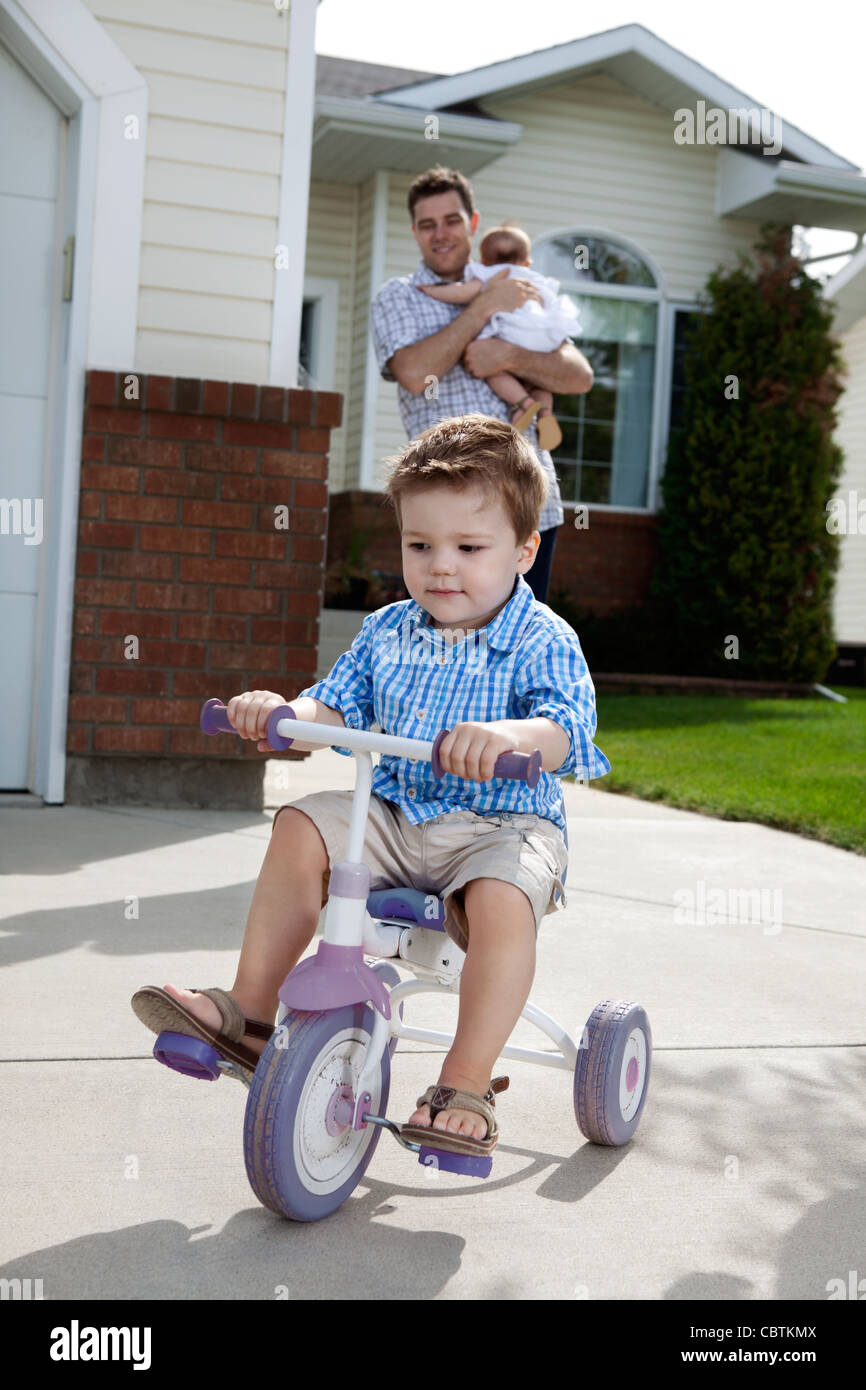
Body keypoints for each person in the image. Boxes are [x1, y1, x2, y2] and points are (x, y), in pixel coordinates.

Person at [131, 415, 611, 1162]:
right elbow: (334, 706)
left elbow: (564, 731)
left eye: (468, 548)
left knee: (504, 898)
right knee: (300, 822)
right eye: (420, 546)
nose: (441, 567)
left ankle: (465, 1084)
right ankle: (251, 1014)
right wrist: (285, 713)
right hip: (391, 816)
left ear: (525, 550)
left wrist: (509, 737)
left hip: (500, 826)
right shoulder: (388, 629)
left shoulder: (543, 637)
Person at [371, 165, 594, 605]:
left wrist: (509, 355)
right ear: (414, 232)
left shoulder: (514, 281)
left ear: (472, 223)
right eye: (428, 224)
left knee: (519, 650)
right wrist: (482, 309)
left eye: (452, 220)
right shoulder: (399, 296)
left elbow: (579, 374)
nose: (441, 234)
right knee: (447, 651)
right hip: (445, 512)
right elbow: (415, 374)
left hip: (528, 505)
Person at [417, 223, 580, 451]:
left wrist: (432, 291)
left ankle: (524, 403)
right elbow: (548, 304)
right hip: (543, 337)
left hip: (510, 334)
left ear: (483, 260)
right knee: (540, 381)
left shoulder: (489, 275)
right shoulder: (535, 279)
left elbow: (461, 292)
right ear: (527, 262)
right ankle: (545, 412)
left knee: (492, 367)